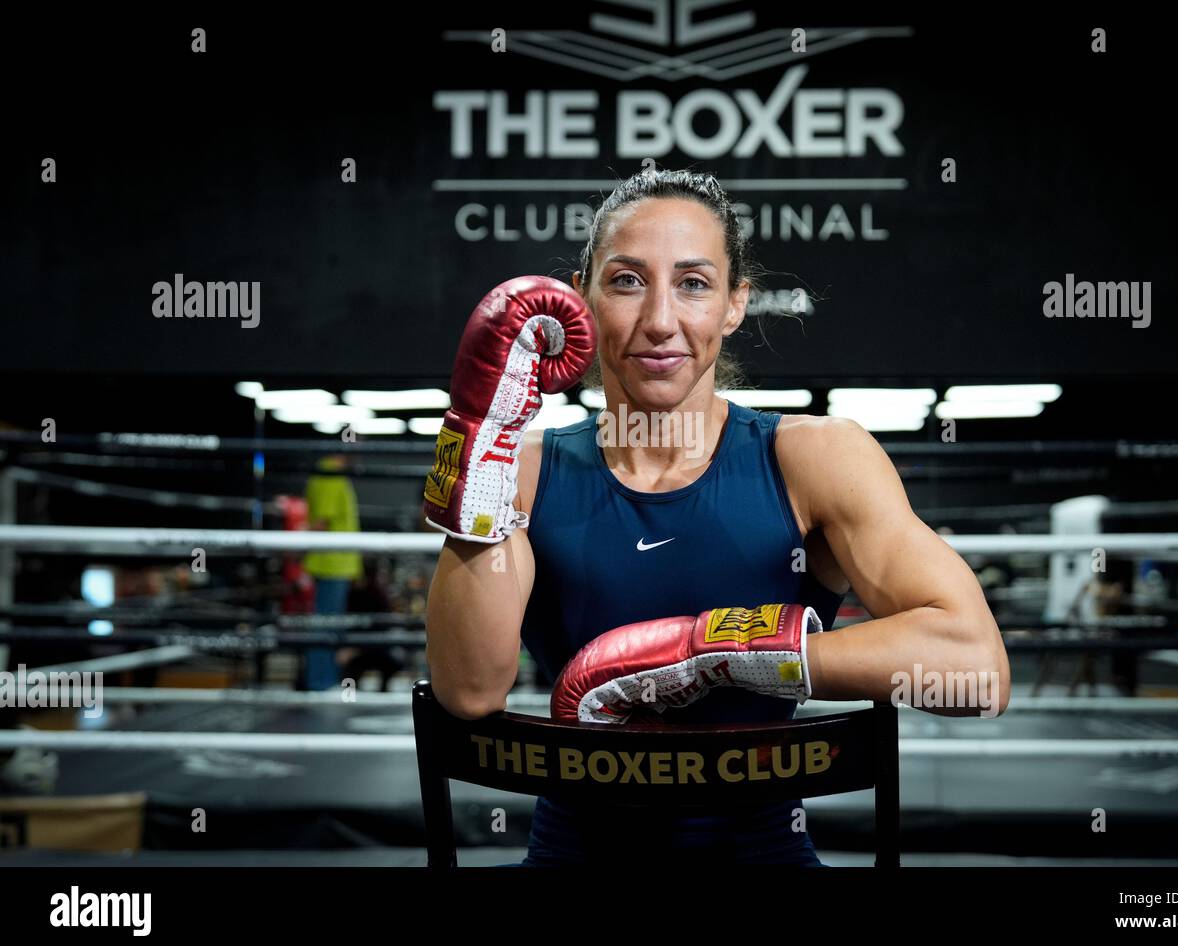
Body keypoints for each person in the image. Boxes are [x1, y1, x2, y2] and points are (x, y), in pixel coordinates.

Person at [424, 168, 1010, 865]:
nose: (661, 321)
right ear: (582, 298)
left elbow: (976, 670)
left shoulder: (814, 458)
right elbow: (468, 690)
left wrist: (722, 653)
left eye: (694, 284)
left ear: (735, 306)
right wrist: (480, 442)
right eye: (626, 280)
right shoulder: (521, 471)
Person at [301, 454, 362, 690]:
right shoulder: (329, 474)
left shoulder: (330, 474)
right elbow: (321, 522)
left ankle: (323, 681)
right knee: (325, 625)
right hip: (331, 561)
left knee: (329, 625)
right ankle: (320, 683)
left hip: (335, 561)